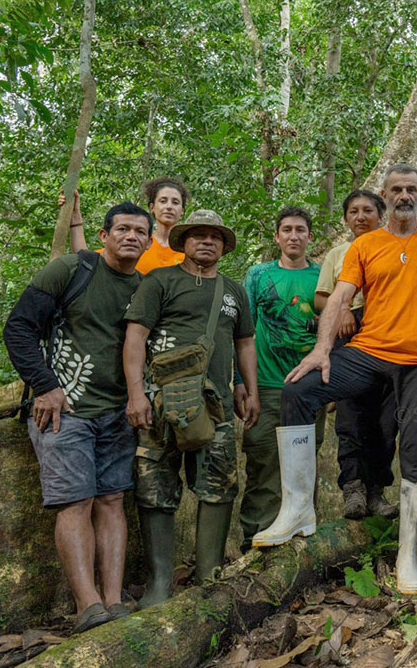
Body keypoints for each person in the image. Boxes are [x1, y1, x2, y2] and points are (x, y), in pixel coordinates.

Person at [253, 164, 417, 597]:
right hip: (369, 351)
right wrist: (322, 349)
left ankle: (407, 556)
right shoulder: (366, 245)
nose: (404, 195)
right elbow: (341, 296)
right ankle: (297, 510)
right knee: (299, 389)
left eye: (412, 189)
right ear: (386, 194)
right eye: (397, 189)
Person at [3, 201, 153, 632]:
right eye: (122, 229)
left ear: (147, 241)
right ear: (104, 236)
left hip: (117, 411)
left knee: (111, 500)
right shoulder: (71, 269)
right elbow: (19, 328)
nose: (131, 237)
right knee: (76, 500)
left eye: (140, 232)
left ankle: (113, 598)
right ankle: (87, 605)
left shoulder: (144, 288)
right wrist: (45, 386)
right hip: (64, 410)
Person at [123, 209, 260, 608]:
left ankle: (208, 579)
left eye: (215, 236)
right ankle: (160, 582)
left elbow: (244, 344)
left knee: (218, 487)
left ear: (223, 245)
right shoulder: (160, 281)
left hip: (213, 407)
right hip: (160, 402)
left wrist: (247, 389)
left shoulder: (234, 291)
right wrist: (136, 395)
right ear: (183, 241)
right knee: (155, 488)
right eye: (198, 235)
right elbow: (135, 338)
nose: (207, 241)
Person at [238, 206, 326, 551]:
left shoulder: (322, 278)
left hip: (308, 388)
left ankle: (301, 543)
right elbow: (242, 332)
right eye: (286, 229)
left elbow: (331, 333)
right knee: (262, 465)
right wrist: (244, 386)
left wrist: (330, 389)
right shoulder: (258, 276)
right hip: (267, 385)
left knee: (304, 466)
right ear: (277, 237)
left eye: (300, 230)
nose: (293, 236)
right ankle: (254, 541)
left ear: (309, 237)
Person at [315, 190, 399, 521]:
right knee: (350, 417)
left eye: (368, 210)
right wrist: (345, 308)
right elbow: (323, 299)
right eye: (353, 211)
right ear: (346, 218)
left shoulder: (394, 247)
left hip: (388, 335)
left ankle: (377, 490)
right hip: (348, 334)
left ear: (381, 215)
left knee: (386, 419)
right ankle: (353, 487)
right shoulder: (338, 253)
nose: (361, 216)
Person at [65, 178, 190, 274]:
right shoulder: (137, 242)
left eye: (175, 202)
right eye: (163, 201)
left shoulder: (189, 250)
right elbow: (86, 259)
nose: (169, 207)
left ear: (182, 210)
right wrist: (75, 216)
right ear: (152, 207)